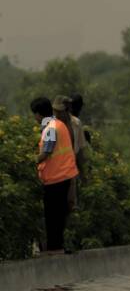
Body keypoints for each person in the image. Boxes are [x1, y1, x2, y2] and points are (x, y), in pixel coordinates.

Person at [32, 96, 79, 255]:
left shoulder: (51, 128)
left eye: (35, 114)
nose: (35, 118)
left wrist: (31, 160)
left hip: (56, 178)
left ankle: (54, 249)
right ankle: (56, 247)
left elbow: (47, 151)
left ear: (39, 114)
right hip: (63, 175)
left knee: (53, 216)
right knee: (58, 215)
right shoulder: (59, 124)